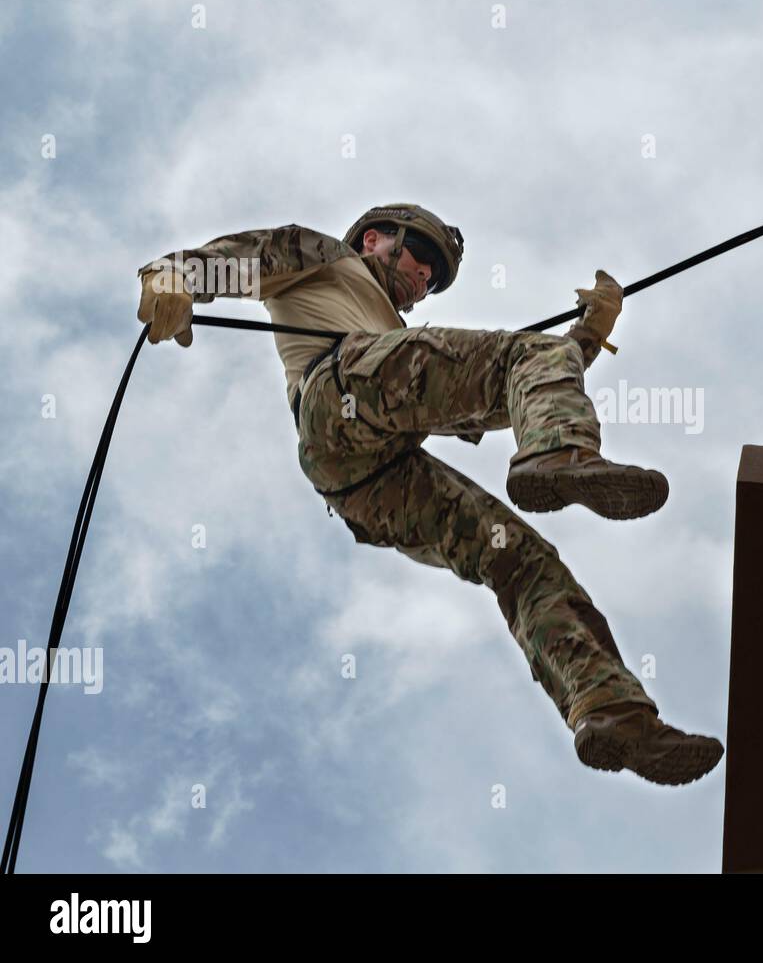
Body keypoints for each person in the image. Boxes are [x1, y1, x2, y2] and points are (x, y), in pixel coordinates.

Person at [135, 204, 723, 786]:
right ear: (374, 239)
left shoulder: (393, 335)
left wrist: (583, 340)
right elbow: (249, 257)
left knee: (519, 559)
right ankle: (559, 454)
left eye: (432, 280)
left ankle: (610, 710)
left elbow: (495, 397)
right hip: (337, 392)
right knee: (527, 352)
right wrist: (172, 277)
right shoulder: (328, 260)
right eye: (421, 260)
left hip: (367, 480)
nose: (423, 282)